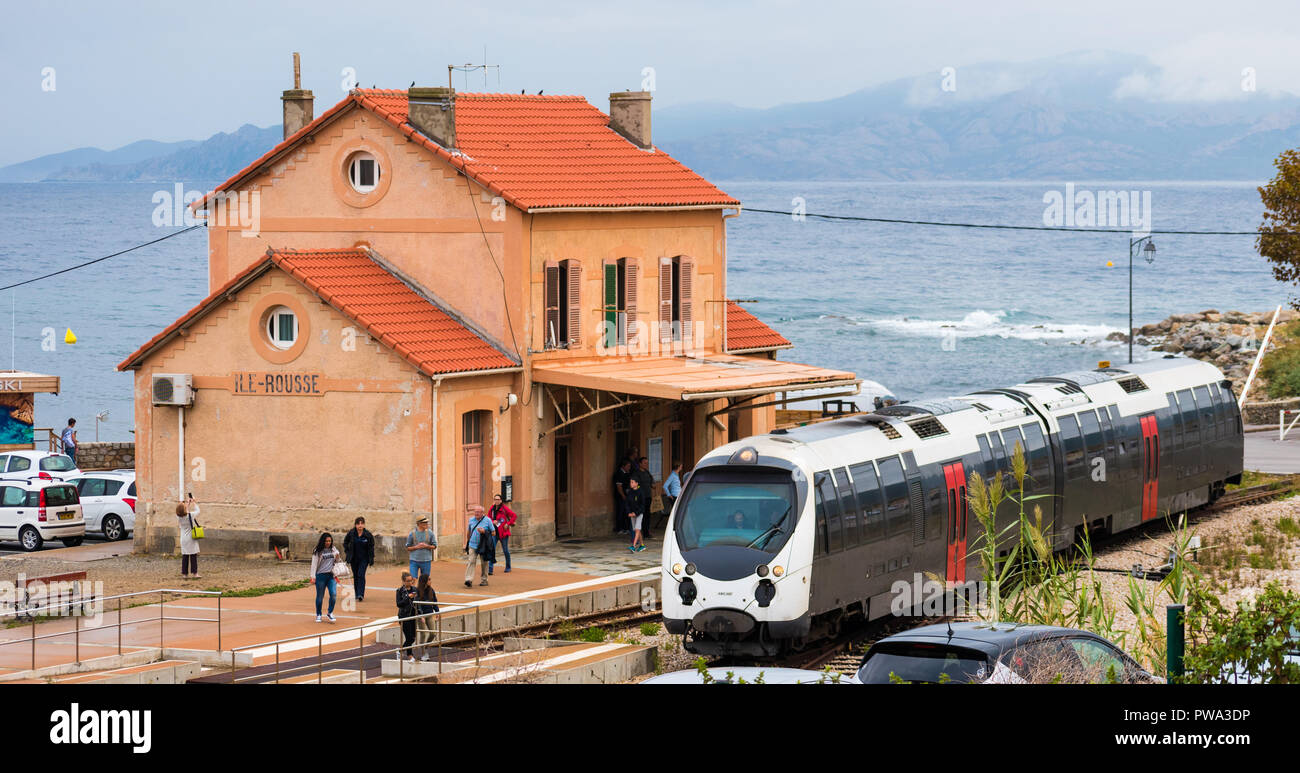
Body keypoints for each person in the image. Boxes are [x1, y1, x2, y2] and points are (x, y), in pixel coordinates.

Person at [309, 532, 342, 623]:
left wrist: (337, 556)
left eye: (329, 541)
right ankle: (318, 614)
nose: (328, 542)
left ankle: (330, 612)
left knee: (333, 594)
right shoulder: (317, 551)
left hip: (331, 575)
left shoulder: (333, 549)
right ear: (323, 541)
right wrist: (313, 577)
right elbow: (314, 564)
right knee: (320, 596)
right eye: (326, 541)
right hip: (320, 576)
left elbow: (337, 561)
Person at [343, 517, 376, 602]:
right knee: (356, 576)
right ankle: (356, 593)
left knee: (361, 575)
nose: (360, 525)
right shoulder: (351, 533)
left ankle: (360, 594)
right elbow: (345, 542)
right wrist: (348, 551)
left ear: (364, 525)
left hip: (364, 559)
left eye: (362, 523)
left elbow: (371, 547)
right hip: (354, 559)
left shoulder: (368, 535)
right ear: (355, 525)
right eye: (358, 524)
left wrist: (371, 558)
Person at [463, 506, 496, 587]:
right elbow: (468, 531)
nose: (476, 513)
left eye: (478, 512)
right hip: (472, 545)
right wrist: (468, 542)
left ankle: (484, 580)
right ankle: (468, 579)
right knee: (471, 561)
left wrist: (484, 531)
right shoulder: (471, 520)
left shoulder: (487, 520)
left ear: (482, 513)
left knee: (484, 563)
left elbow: (493, 533)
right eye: (475, 512)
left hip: (483, 546)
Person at [488, 494, 517, 575]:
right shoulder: (492, 508)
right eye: (495, 499)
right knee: (491, 550)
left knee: (505, 550)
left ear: (501, 500)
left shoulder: (504, 508)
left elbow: (514, 516)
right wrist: (492, 521)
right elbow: (488, 517)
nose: (496, 501)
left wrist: (508, 523)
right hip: (494, 532)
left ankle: (508, 567)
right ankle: (490, 569)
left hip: (503, 533)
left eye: (498, 499)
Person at [414, 573, 440, 661]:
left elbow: (434, 601)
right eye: (429, 579)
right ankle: (423, 653)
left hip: (429, 614)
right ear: (424, 581)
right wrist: (421, 616)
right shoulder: (418, 591)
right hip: (421, 616)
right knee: (423, 634)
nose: (430, 581)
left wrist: (437, 612)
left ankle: (425, 646)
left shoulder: (431, 590)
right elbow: (417, 605)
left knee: (433, 633)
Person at [175, 495, 201, 579]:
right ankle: (195, 573)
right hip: (191, 538)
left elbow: (183, 510)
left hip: (183, 538)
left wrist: (188, 504)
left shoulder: (178, 517)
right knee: (193, 555)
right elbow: (198, 511)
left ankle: (184, 574)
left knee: (185, 556)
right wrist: (194, 502)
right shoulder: (191, 515)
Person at [395, 571, 418, 662]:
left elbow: (418, 603)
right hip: (404, 616)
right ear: (403, 581)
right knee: (409, 637)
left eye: (411, 580)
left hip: (413, 615)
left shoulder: (415, 589)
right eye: (407, 581)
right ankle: (410, 655)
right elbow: (399, 604)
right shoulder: (400, 591)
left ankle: (401, 650)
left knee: (413, 637)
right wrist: (408, 597)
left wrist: (420, 614)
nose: (410, 582)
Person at [634, 457, 655, 539]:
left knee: (647, 515)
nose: (646, 464)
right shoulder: (636, 473)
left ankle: (646, 532)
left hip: (648, 496)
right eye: (644, 463)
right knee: (640, 515)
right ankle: (639, 532)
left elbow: (651, 480)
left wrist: (653, 485)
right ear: (640, 464)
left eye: (647, 463)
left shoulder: (647, 472)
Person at [624, 477, 648, 552]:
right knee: (637, 529)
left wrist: (636, 513)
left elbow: (642, 505)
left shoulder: (641, 492)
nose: (631, 484)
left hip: (639, 513)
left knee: (637, 529)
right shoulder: (630, 492)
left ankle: (633, 546)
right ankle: (642, 545)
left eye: (632, 482)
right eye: (630, 482)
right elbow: (627, 503)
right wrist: (629, 512)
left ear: (637, 483)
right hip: (632, 514)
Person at [611, 458, 632, 535]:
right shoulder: (619, 474)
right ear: (623, 466)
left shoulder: (626, 473)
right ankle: (619, 528)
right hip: (621, 496)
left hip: (626, 495)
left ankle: (625, 527)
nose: (629, 468)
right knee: (620, 512)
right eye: (628, 466)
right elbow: (619, 487)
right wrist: (623, 495)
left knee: (625, 513)